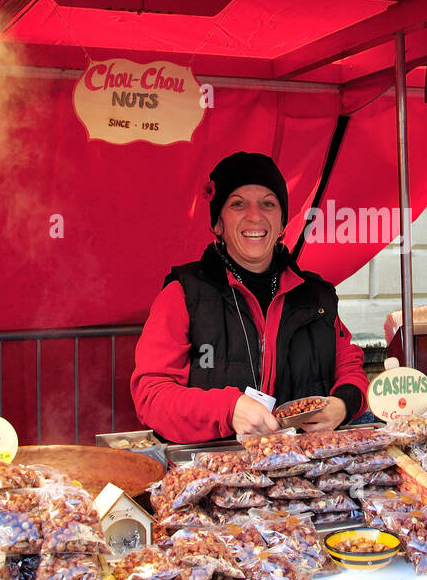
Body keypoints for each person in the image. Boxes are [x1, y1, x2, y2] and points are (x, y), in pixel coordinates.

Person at [131, 151, 369, 443]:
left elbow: (350, 370)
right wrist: (228, 409)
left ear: (282, 223)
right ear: (217, 224)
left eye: (268, 204)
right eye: (238, 204)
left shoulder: (317, 297)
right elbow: (151, 395)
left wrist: (343, 405)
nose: (255, 215)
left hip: (305, 472)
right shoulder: (183, 294)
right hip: (214, 472)